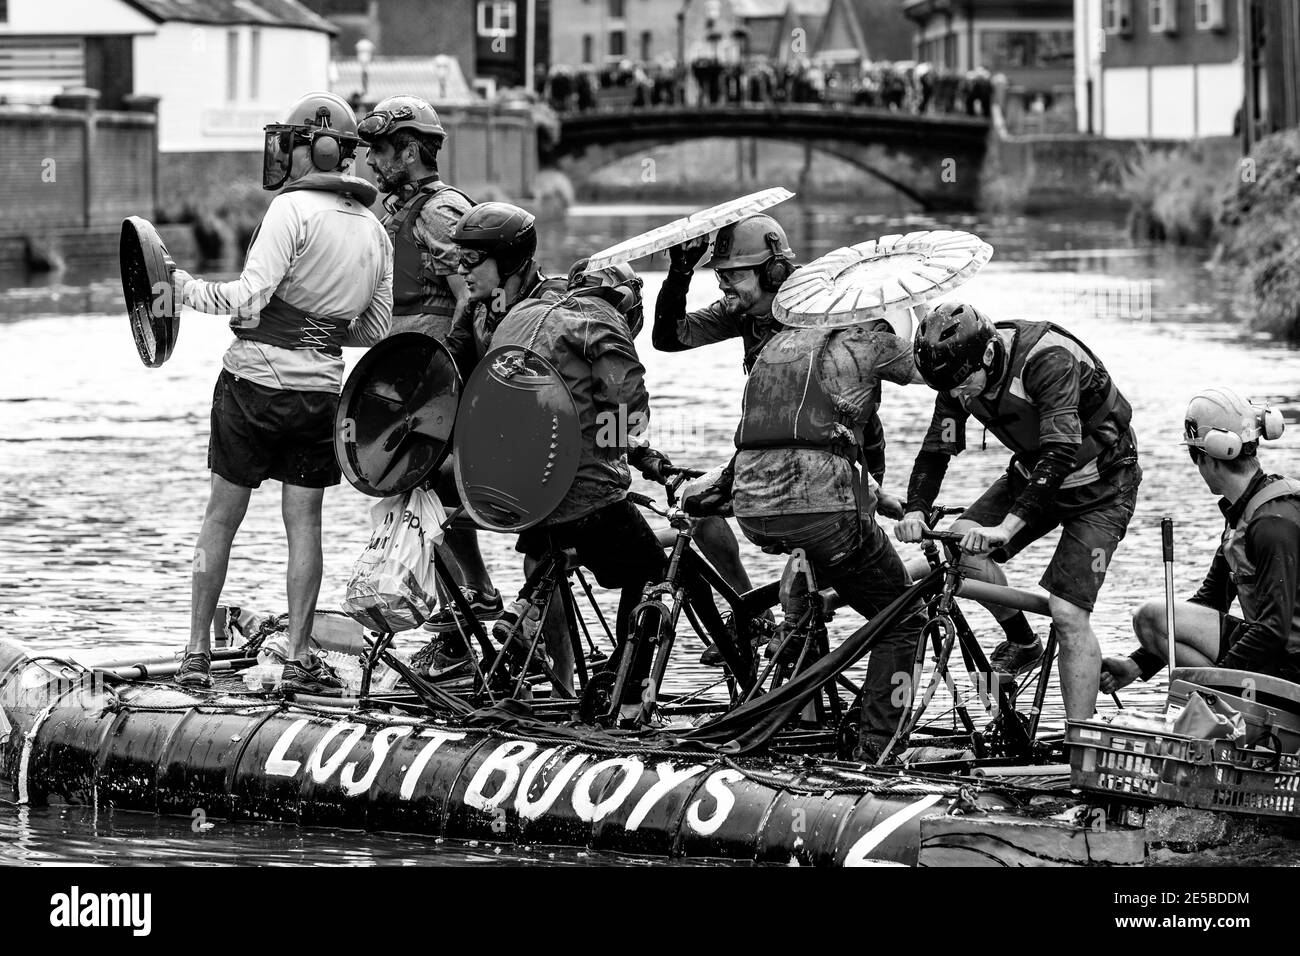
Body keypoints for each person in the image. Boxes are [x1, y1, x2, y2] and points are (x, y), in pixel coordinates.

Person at [171, 92, 393, 694]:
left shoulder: (289, 214)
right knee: (306, 525)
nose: (285, 155)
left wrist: (181, 288)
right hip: (322, 397)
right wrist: (316, 328)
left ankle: (196, 654)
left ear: (316, 147)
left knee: (222, 517)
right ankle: (297, 654)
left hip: (251, 388)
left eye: (291, 142)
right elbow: (374, 330)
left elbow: (246, 300)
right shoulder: (376, 231)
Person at [453, 203, 672, 704]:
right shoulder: (600, 321)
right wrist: (624, 452)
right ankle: (627, 687)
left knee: (550, 558)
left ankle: (551, 673)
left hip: (512, 489)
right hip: (577, 491)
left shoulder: (517, 317)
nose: (462, 269)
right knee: (652, 574)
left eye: (470, 259)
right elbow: (628, 412)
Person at [654, 213, 894, 663]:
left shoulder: (821, 306)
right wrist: (680, 271)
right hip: (775, 449)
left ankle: (801, 641)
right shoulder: (743, 311)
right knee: (699, 508)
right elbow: (671, 338)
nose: (725, 288)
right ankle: (758, 620)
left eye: (734, 276)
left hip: (838, 451)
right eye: (720, 276)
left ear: (774, 271)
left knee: (814, 578)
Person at [895, 303, 1141, 721]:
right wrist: (916, 510)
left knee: (1067, 612)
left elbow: (1060, 450)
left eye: (961, 385)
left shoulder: (1047, 360)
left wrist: (1009, 528)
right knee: (962, 545)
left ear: (989, 355)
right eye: (947, 390)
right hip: (1032, 473)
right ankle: (1023, 642)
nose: (957, 397)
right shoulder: (957, 376)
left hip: (1101, 487)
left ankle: (1079, 743)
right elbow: (937, 450)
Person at [730, 314, 927, 763]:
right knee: (902, 615)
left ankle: (796, 717)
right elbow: (939, 368)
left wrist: (879, 495)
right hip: (824, 511)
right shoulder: (872, 342)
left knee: (809, 596)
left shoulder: (777, 349)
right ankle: (877, 747)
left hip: (754, 507)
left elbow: (802, 439)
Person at [358, 95, 503, 639]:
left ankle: (463, 617)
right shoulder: (397, 209)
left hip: (435, 382)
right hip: (405, 381)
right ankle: (470, 606)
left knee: (428, 495)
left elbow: (470, 298)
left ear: (410, 150)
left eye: (379, 150)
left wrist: (450, 374)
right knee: (414, 497)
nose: (370, 161)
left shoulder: (441, 210)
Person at [1102, 388, 1300, 690]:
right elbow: (1210, 602)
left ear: (1210, 460)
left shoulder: (1271, 523)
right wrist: (1137, 663)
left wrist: (1219, 678)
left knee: (1151, 616)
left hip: (1292, 668)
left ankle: (1218, 703)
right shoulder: (1248, 511)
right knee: (1156, 623)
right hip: (1278, 659)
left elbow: (1273, 629)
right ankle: (1219, 706)